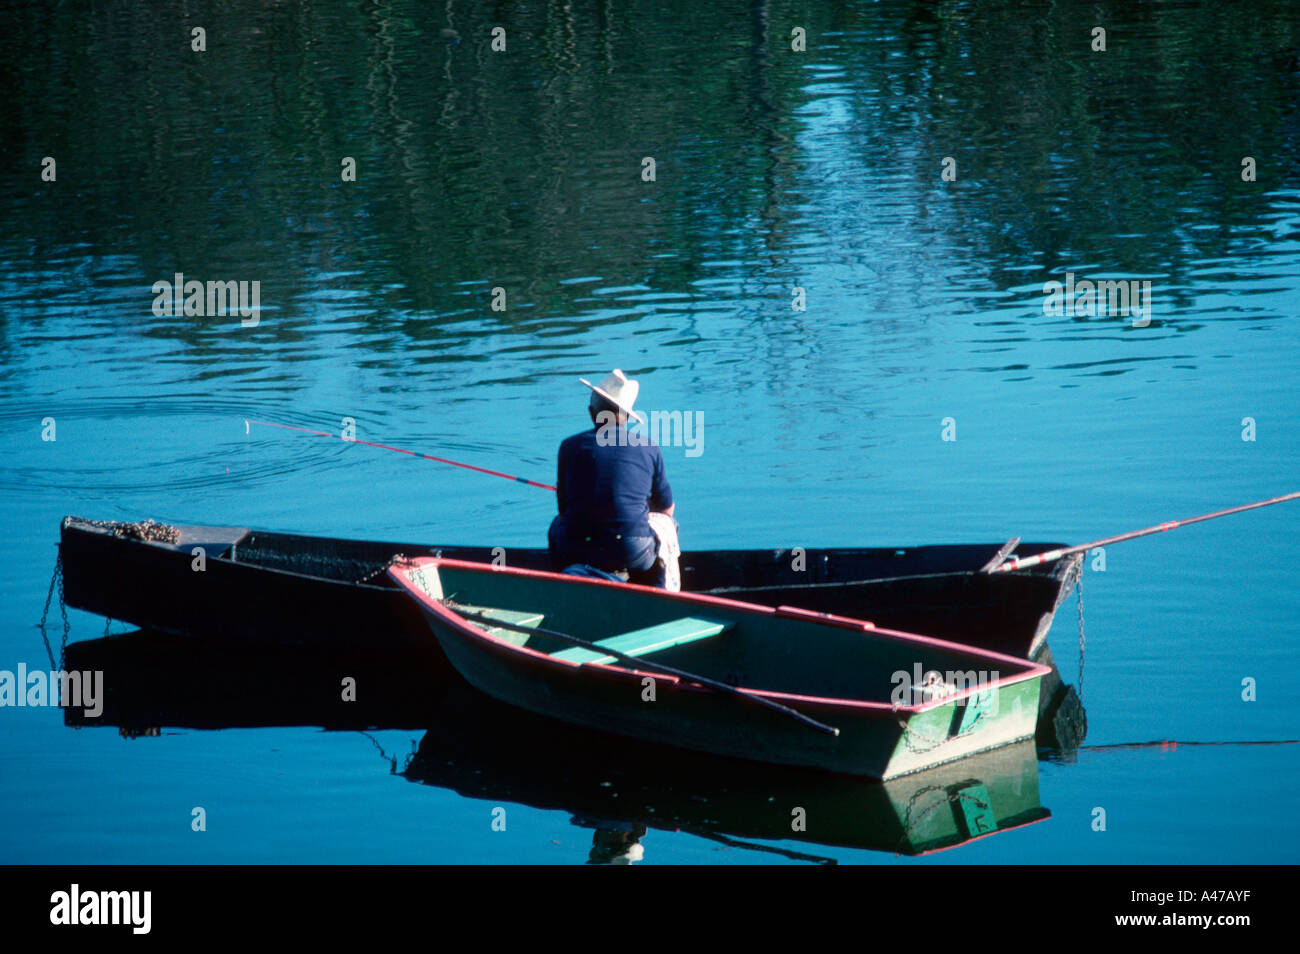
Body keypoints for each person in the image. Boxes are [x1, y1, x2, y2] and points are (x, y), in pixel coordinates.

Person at [548, 369, 675, 585]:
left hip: (577, 548)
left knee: (555, 526)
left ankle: (563, 585)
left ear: (591, 412)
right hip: (632, 551)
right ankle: (657, 588)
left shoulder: (568, 446)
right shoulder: (648, 447)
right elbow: (666, 510)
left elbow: (563, 510)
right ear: (627, 417)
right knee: (667, 526)